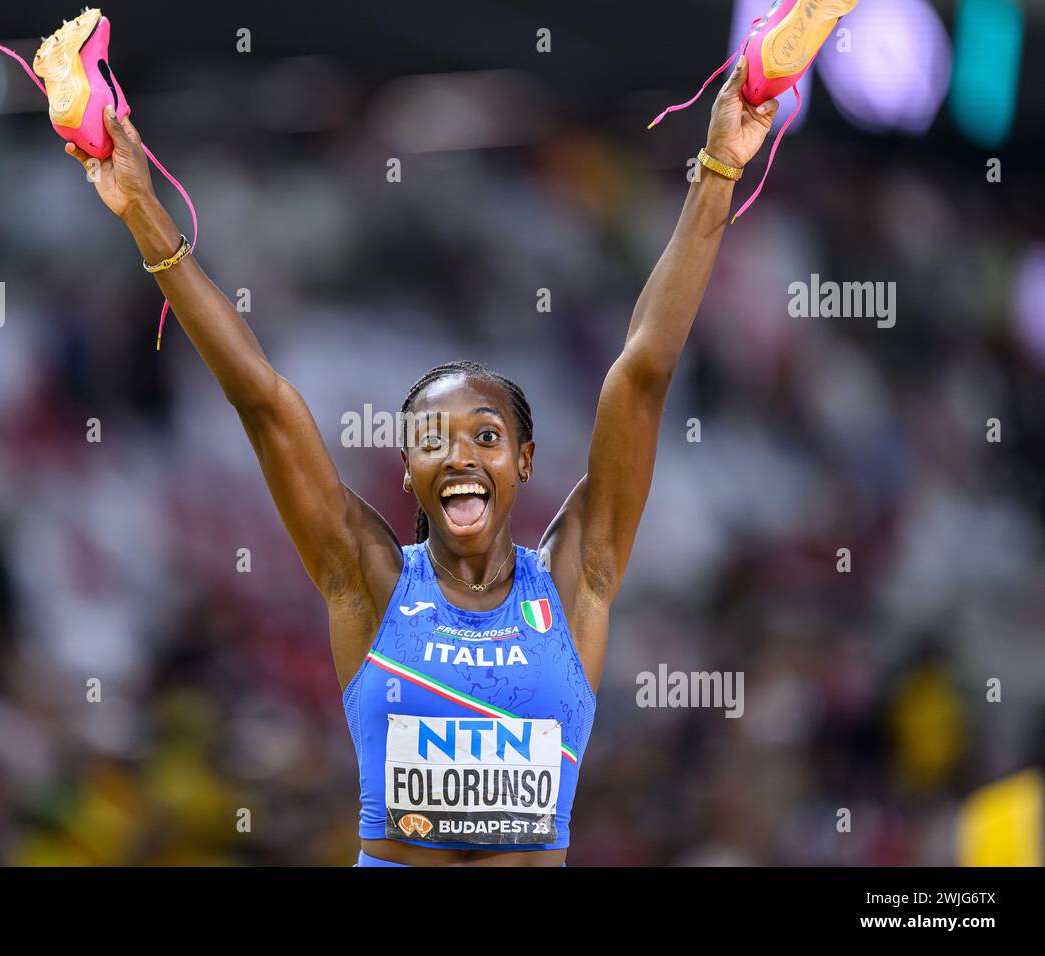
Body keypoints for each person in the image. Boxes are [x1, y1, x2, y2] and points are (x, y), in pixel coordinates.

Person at [63, 55, 780, 866]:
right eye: (433, 440)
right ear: (407, 473)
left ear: (525, 462)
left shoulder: (579, 580)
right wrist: (140, 209)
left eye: (486, 436)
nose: (460, 456)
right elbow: (262, 401)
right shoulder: (367, 579)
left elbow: (642, 372)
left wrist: (718, 167)